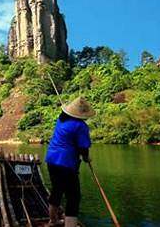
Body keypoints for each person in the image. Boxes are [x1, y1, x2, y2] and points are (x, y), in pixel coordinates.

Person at [45, 96, 95, 227]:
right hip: (66, 163)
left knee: (57, 191)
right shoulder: (81, 126)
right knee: (73, 197)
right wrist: (86, 158)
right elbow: (83, 147)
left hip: (51, 160)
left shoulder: (61, 119)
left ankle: (53, 221)